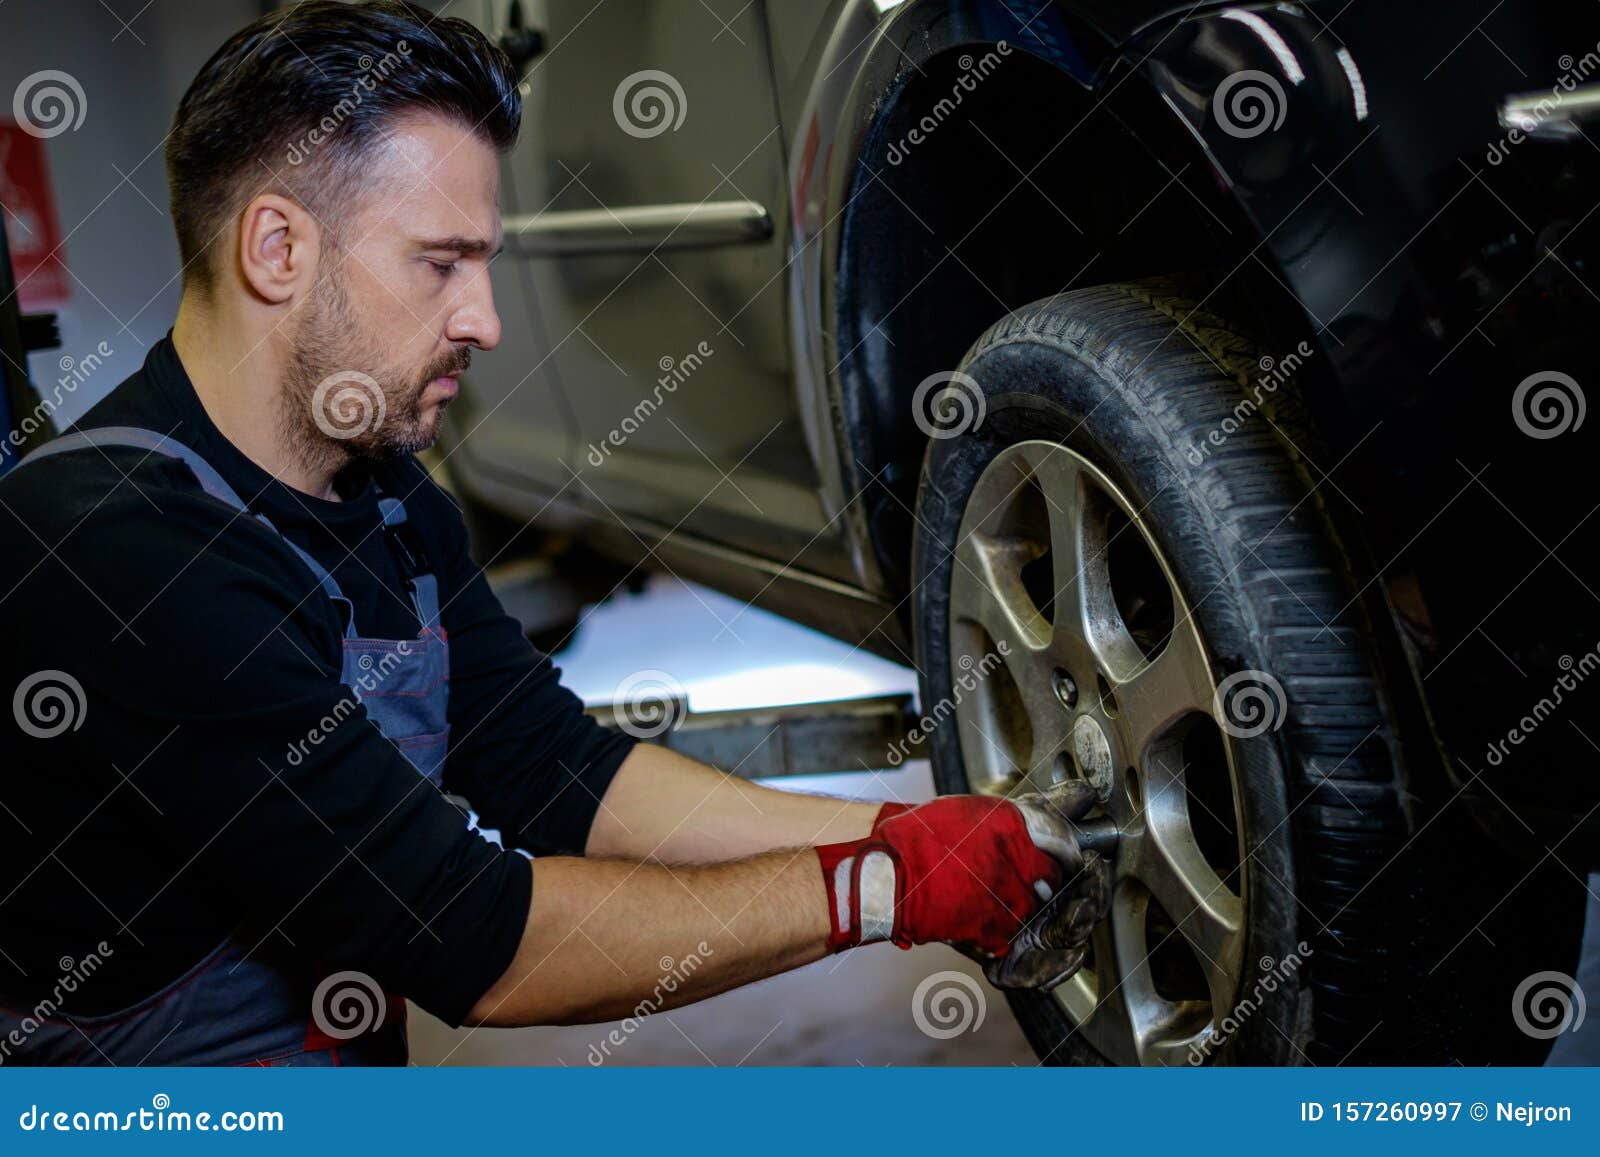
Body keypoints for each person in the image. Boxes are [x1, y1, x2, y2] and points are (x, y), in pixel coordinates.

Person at [0, 0, 1105, 1066]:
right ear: (277, 250)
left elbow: (558, 770)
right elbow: (478, 942)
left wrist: (897, 834)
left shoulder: (384, 497)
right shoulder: (120, 551)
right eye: (439, 263)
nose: (483, 319)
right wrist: (880, 889)